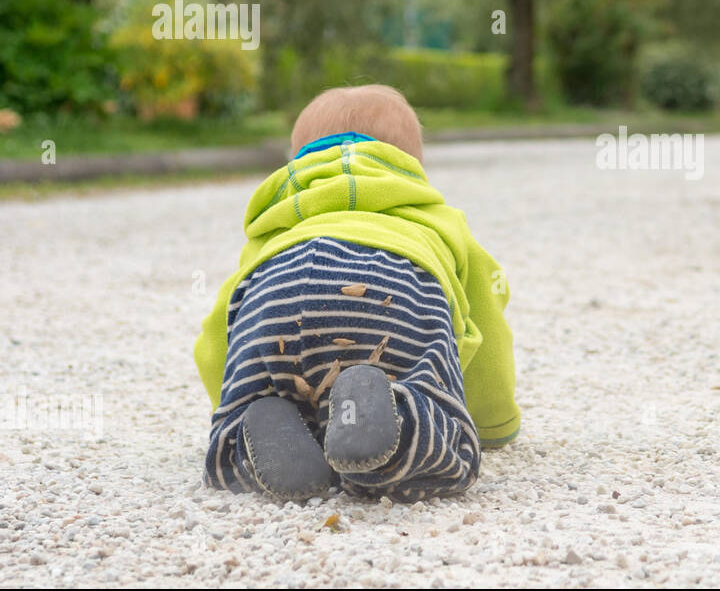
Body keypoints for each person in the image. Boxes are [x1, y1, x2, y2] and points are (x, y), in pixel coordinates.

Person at [193, 84, 520, 502]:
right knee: (439, 434)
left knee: (237, 434)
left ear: (297, 161)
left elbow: (220, 333)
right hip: (391, 287)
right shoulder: (440, 221)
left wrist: (237, 396)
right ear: (410, 163)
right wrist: (494, 423)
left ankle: (254, 429)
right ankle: (396, 430)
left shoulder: (274, 226)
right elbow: (487, 333)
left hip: (276, 291)